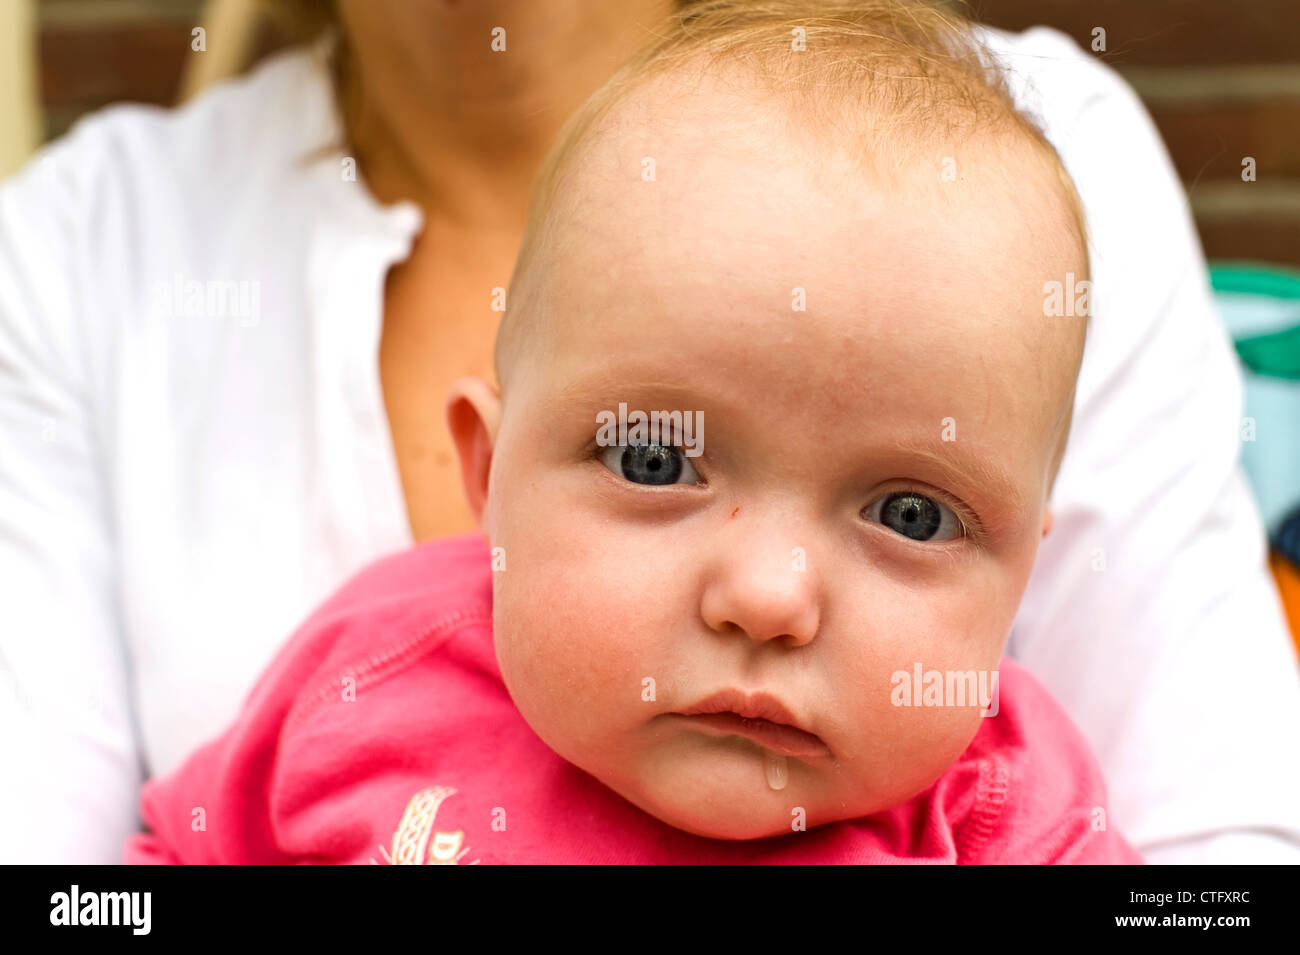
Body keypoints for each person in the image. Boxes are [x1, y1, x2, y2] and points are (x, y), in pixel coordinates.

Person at [2, 0, 1297, 864]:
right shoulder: (356, 680)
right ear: (488, 475)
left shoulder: (1007, 802)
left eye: (909, 513)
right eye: (652, 460)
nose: (768, 595)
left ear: (1025, 564)